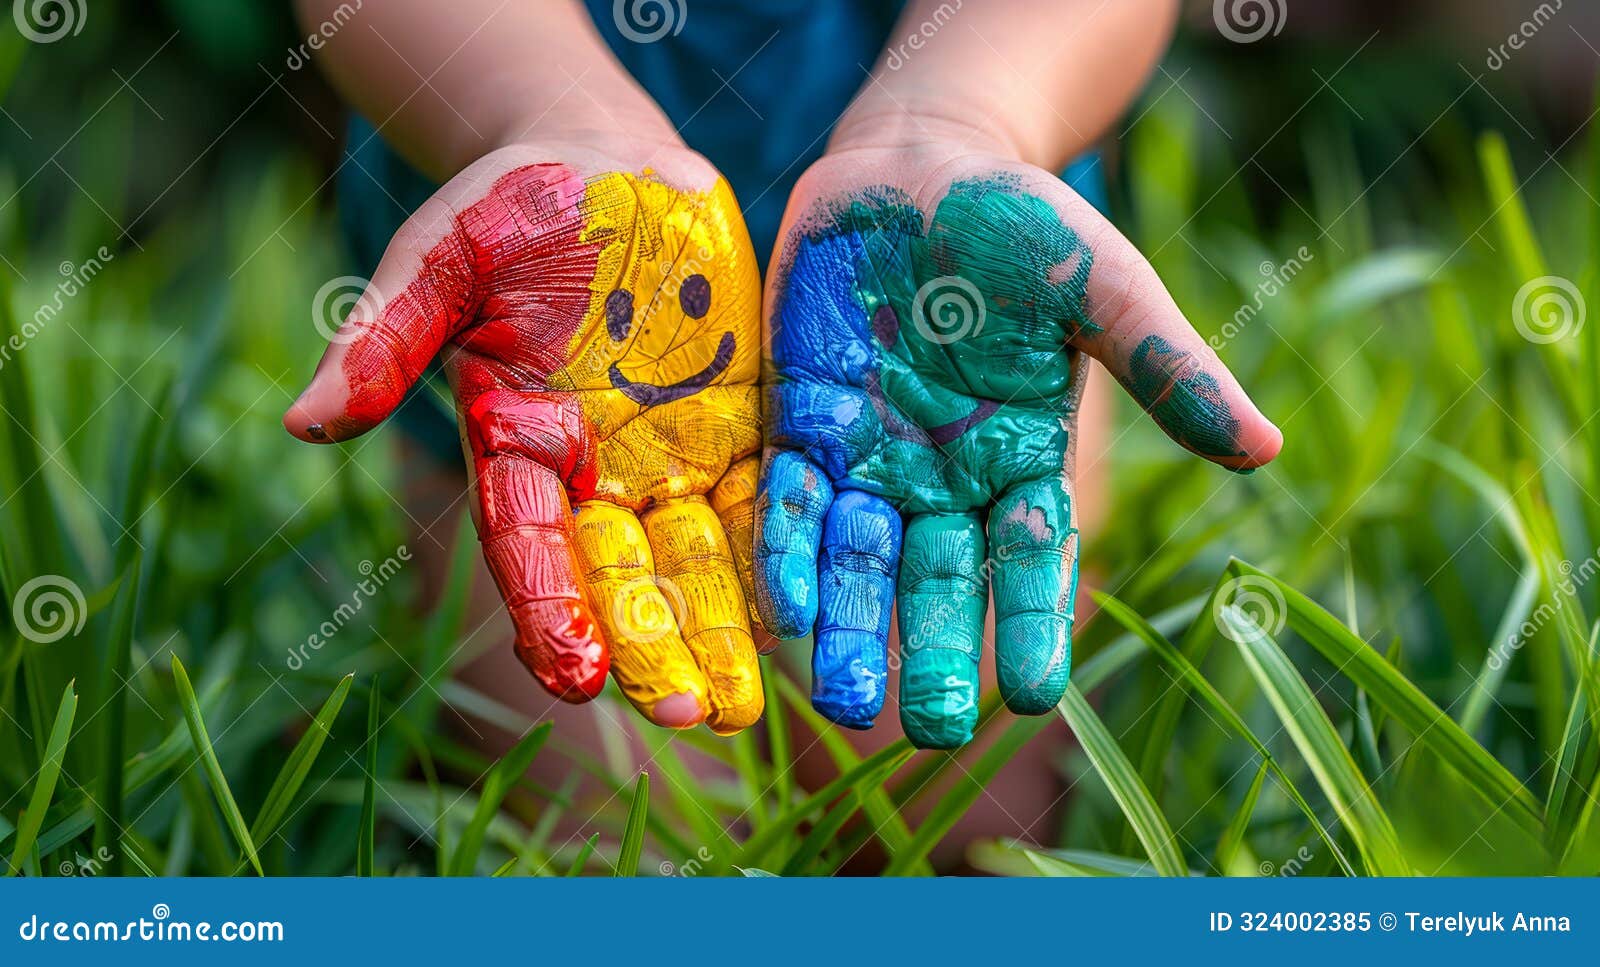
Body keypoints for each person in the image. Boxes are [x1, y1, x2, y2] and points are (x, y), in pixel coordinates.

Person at [284, 0, 1280, 776]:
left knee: (958, 813)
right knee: (610, 835)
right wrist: (554, 115)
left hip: (940, 275)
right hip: (567, 264)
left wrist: (953, 115)